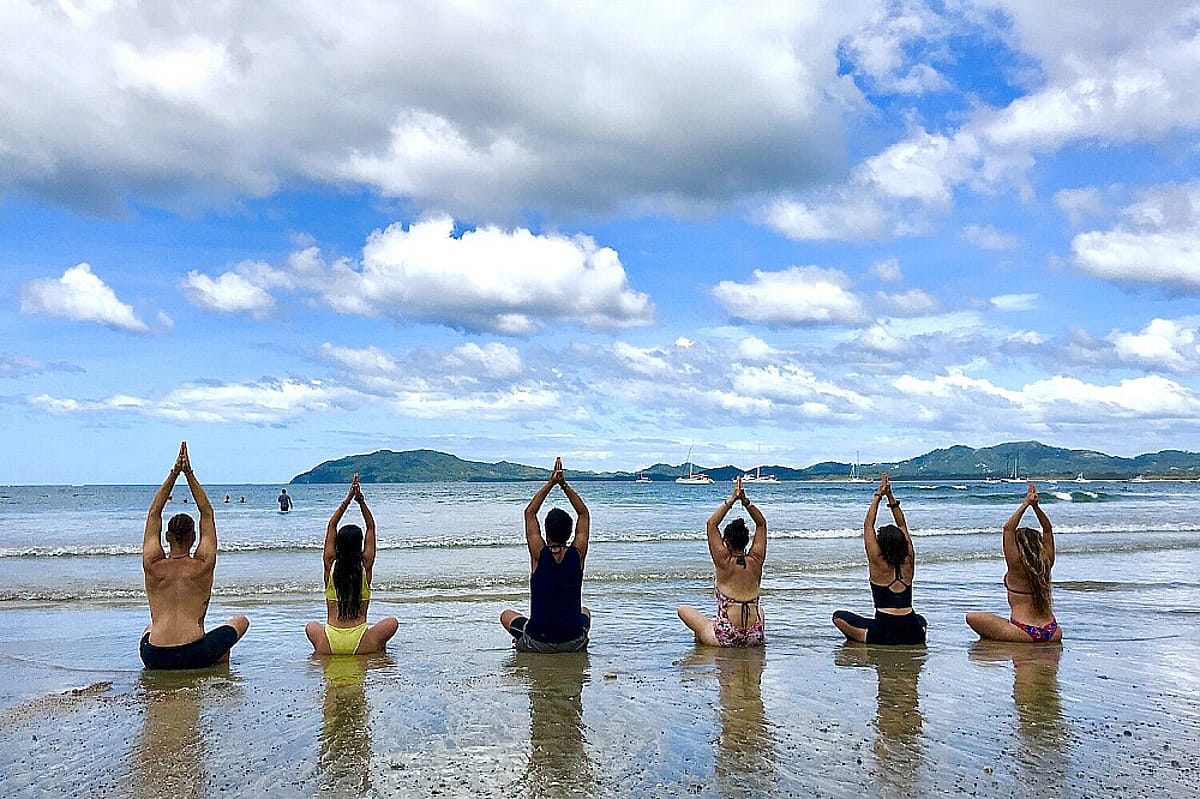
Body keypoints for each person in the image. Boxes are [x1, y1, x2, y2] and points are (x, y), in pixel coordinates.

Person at [140, 442, 249, 669]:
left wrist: (174, 473)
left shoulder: (153, 565)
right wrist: (188, 473)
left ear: (167, 536)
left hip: (154, 657)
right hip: (195, 653)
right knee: (240, 622)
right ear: (193, 538)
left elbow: (153, 514)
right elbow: (207, 513)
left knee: (148, 629)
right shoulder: (202, 564)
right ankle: (218, 667)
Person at [500, 457, 591, 652]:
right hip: (574, 642)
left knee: (506, 615)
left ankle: (521, 643)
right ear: (569, 533)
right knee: (585, 612)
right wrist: (564, 485)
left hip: (538, 641)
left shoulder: (539, 554)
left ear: (546, 532)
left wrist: (551, 483)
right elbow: (583, 514)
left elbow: (530, 512)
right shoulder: (578, 554)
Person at [305, 474, 398, 655]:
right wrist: (360, 500)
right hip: (361, 642)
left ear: (338, 544)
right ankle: (378, 651)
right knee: (392, 622)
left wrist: (347, 499)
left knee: (311, 626)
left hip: (329, 644)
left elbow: (331, 525)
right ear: (359, 544)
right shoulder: (365, 565)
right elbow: (371, 526)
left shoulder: (330, 564)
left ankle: (329, 653)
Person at [832, 473, 927, 645]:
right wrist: (890, 497)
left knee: (838, 617)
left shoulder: (877, 561)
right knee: (920, 620)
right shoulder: (908, 560)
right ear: (902, 543)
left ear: (881, 543)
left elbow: (868, 524)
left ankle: (866, 640)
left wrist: (878, 495)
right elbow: (902, 525)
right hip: (913, 632)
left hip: (883, 632)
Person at [677, 476, 767, 647]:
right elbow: (761, 524)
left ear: (726, 542)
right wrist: (746, 502)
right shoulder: (756, 559)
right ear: (746, 541)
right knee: (759, 610)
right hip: (755, 636)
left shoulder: (724, 562)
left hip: (727, 636)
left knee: (683, 610)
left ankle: (702, 647)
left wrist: (732, 499)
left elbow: (711, 524)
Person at [967, 482, 1062, 642]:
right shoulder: (1046, 562)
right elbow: (1047, 529)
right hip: (1052, 631)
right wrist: (1036, 507)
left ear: (1019, 546)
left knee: (971, 617)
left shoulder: (1016, 564)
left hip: (1023, 632)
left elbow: (1008, 529)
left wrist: (1025, 504)